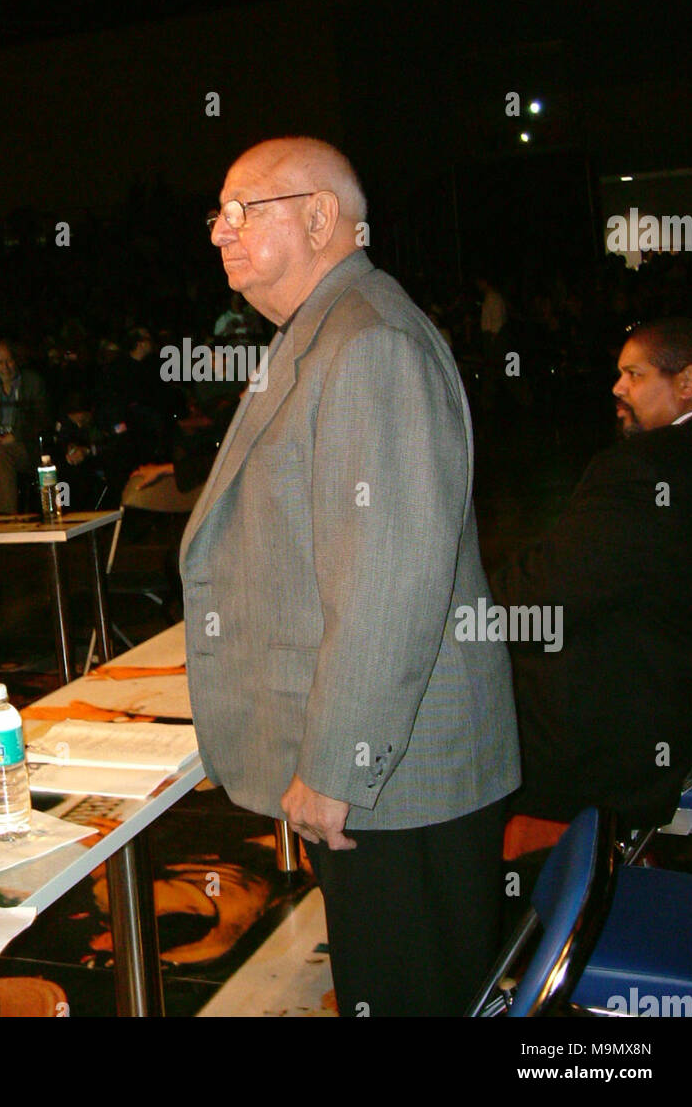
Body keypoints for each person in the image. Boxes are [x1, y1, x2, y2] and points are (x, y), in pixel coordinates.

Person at [179, 138, 520, 1016]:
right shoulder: (329, 329)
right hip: (386, 769)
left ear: (321, 217)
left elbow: (388, 579)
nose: (220, 230)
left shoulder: (367, 342)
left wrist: (337, 763)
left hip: (393, 776)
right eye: (216, 212)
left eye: (242, 208)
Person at [491, 316, 692, 832]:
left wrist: (469, 604)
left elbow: (549, 595)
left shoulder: (644, 468)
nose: (618, 388)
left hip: (631, 732)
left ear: (688, 383)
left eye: (634, 375)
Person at [0, 339, 49, 513]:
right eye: (0, 362)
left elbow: (41, 417)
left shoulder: (32, 382)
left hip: (24, 445)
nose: (5, 367)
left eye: (8, 361)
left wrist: (16, 435)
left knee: (0, 457)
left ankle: (4, 516)